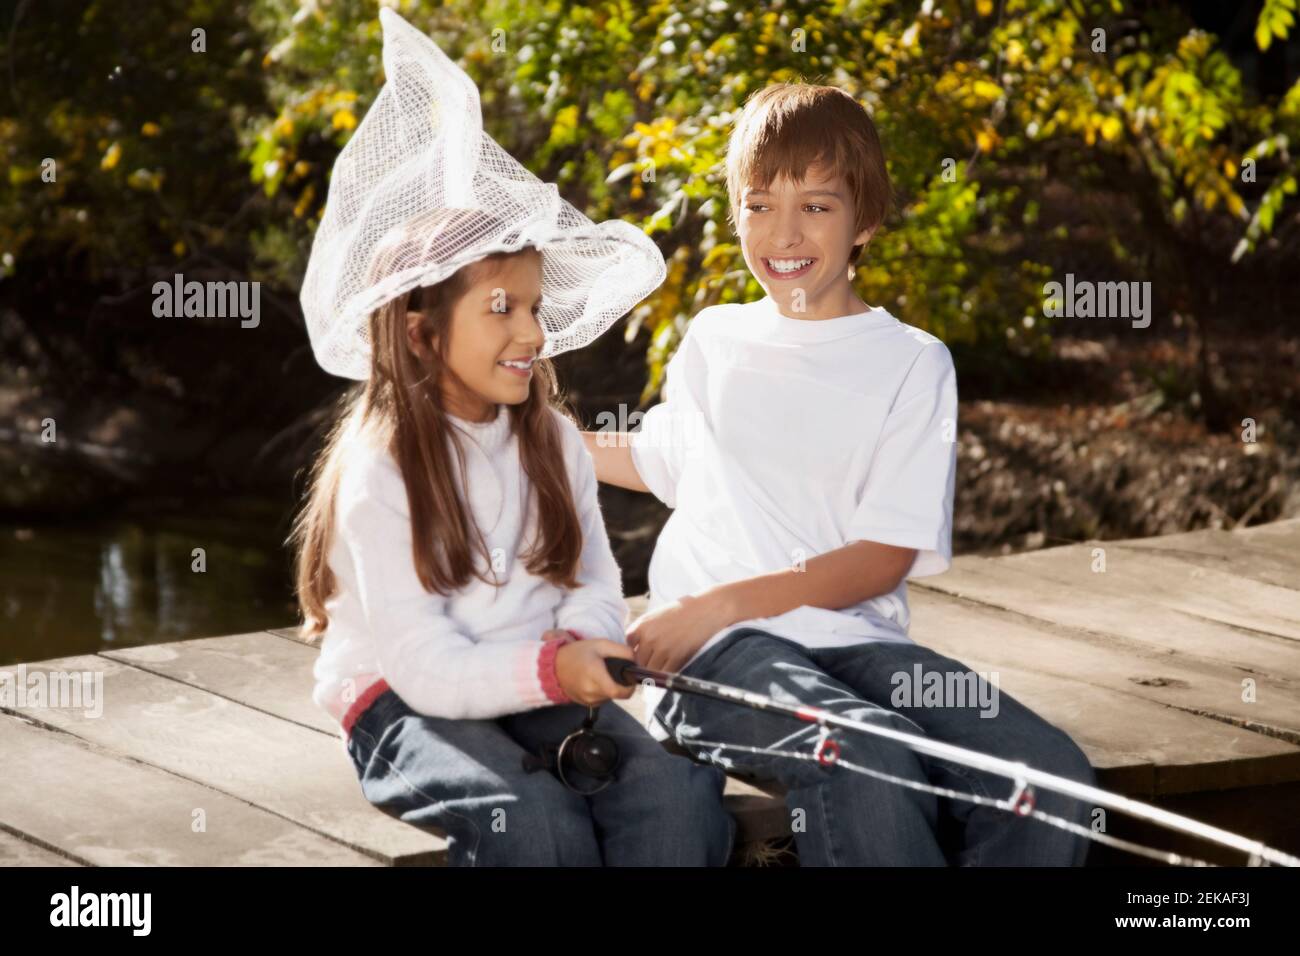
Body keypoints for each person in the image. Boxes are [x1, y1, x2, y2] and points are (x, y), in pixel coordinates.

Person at [582, 82, 1096, 866]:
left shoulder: (913, 362)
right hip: (722, 656)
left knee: (1051, 778)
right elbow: (658, 457)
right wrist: (532, 434)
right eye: (759, 204)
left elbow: (881, 557)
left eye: (816, 206)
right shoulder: (714, 340)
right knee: (864, 753)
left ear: (868, 220)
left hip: (856, 645)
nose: (784, 232)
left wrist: (714, 604)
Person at [288, 9, 734, 867]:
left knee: (676, 802)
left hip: (538, 678)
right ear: (420, 332)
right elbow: (425, 669)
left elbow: (595, 581)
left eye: (533, 305)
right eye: (502, 308)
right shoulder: (380, 469)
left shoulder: (553, 443)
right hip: (402, 701)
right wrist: (549, 676)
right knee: (529, 820)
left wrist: (582, 647)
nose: (532, 331)